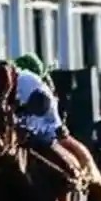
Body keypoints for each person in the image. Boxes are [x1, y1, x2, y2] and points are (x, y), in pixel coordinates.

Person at [10, 59, 82, 192]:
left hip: (39, 135)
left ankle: (70, 180)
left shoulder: (30, 84)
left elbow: (42, 106)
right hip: (11, 139)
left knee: (68, 175)